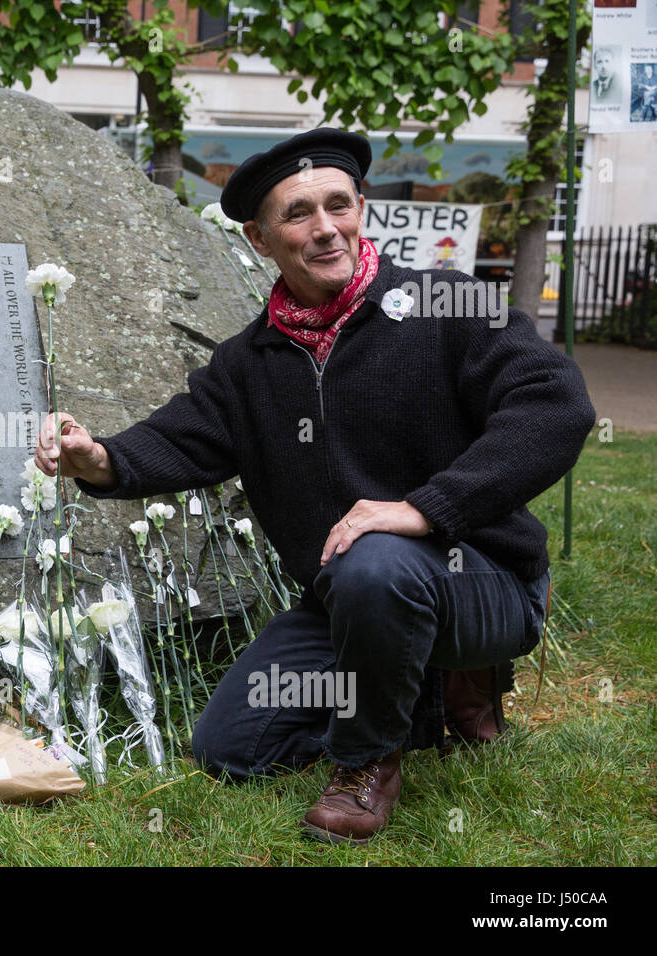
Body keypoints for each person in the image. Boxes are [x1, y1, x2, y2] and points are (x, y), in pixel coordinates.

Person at [36, 128, 595, 845]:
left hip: (482, 581)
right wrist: (95, 458)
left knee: (377, 561)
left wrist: (427, 508)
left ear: (363, 207)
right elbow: (175, 441)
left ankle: (367, 765)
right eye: (299, 214)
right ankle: (423, 690)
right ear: (260, 240)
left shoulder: (447, 305)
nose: (326, 228)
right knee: (231, 747)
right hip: (348, 605)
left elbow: (556, 404)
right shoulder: (249, 362)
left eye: (340, 204)